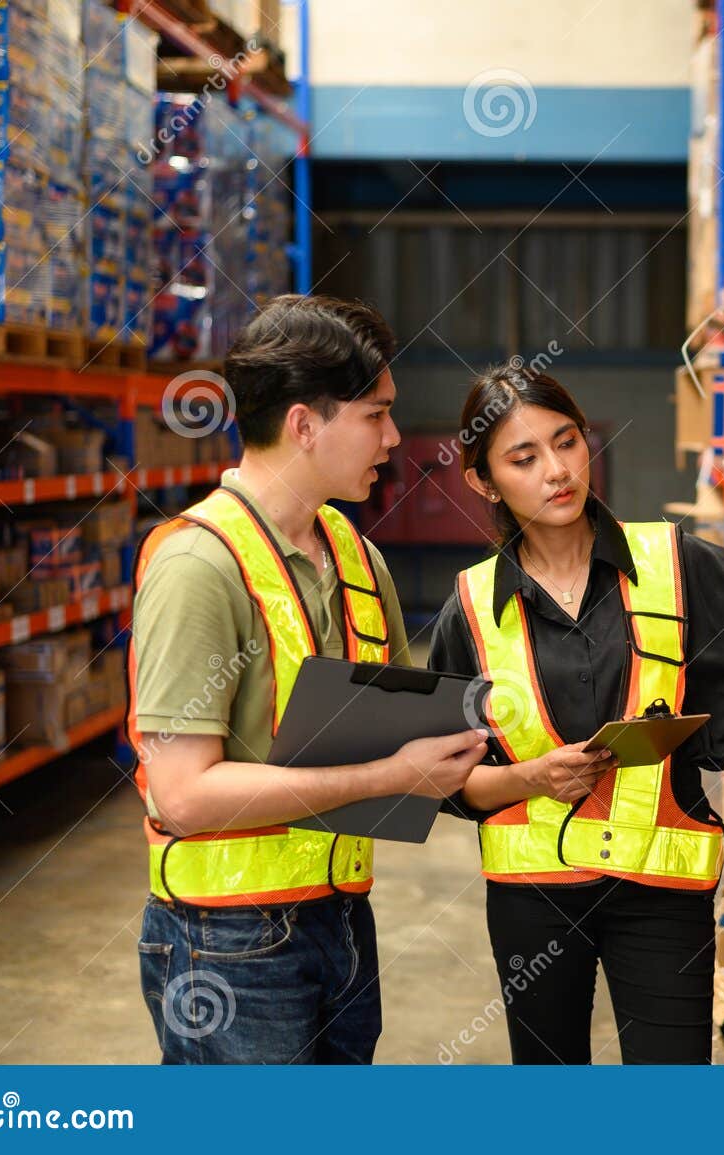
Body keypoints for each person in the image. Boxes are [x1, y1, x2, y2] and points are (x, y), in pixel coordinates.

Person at [127, 294, 488, 1064]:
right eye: (376, 414)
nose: (394, 437)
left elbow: (395, 734)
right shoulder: (199, 567)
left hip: (343, 918)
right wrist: (389, 774)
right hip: (228, 940)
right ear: (304, 424)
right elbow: (181, 796)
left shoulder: (357, 558)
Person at [428, 364, 724, 1065]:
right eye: (524, 458)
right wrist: (532, 779)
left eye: (567, 441)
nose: (557, 470)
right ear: (483, 482)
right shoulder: (471, 607)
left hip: (663, 895)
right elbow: (451, 782)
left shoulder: (674, 563)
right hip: (532, 900)